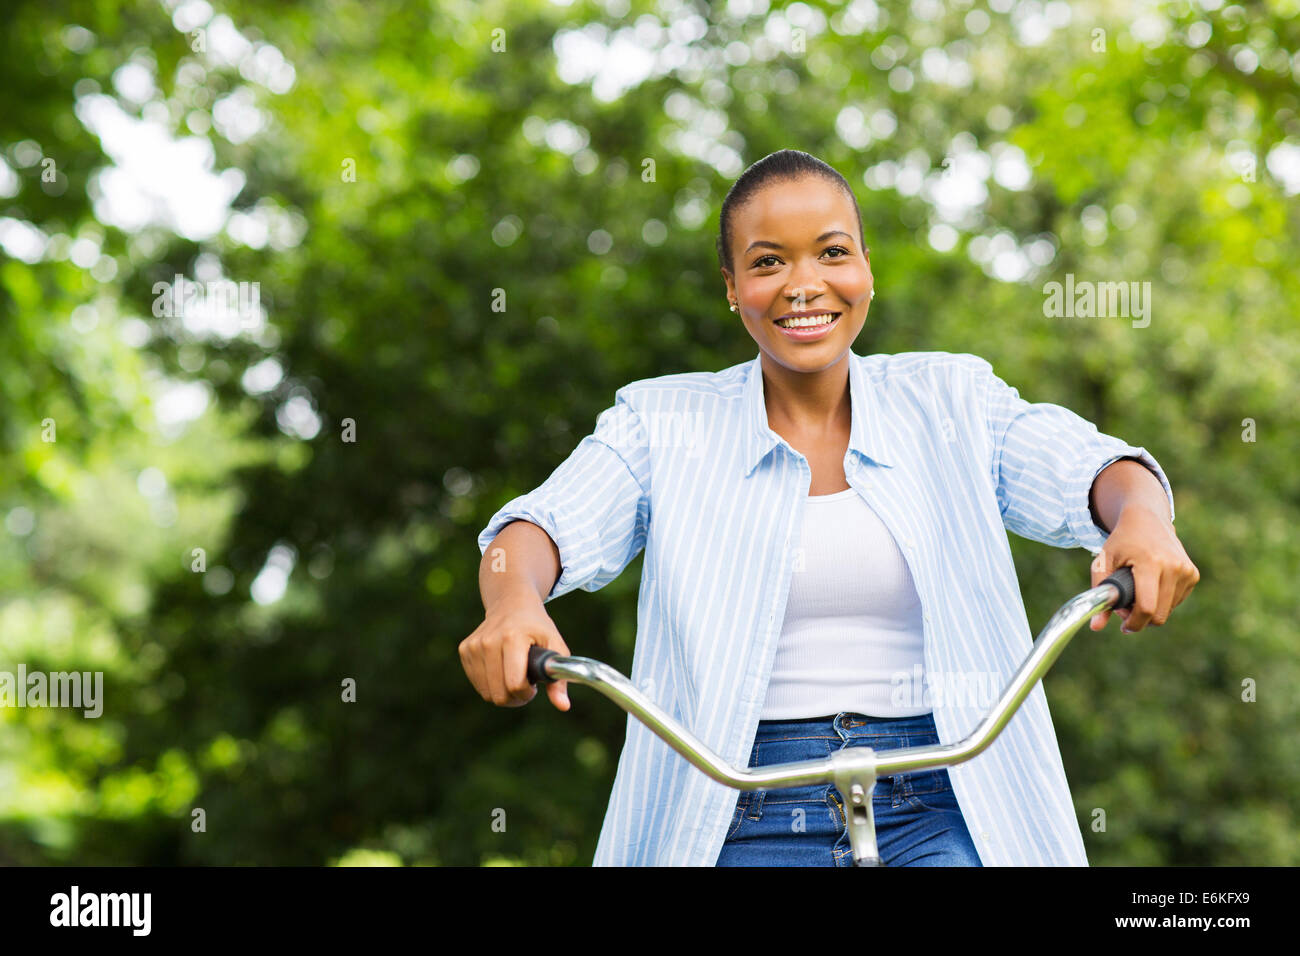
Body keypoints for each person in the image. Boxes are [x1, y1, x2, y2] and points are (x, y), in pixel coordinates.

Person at [461, 149, 1200, 866]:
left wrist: (1142, 518)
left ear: (866, 271)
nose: (803, 284)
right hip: (735, 801)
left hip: (945, 794)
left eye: (832, 253)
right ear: (731, 286)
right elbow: (539, 527)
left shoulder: (952, 398)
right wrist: (512, 602)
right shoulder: (663, 422)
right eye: (767, 261)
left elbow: (1096, 469)